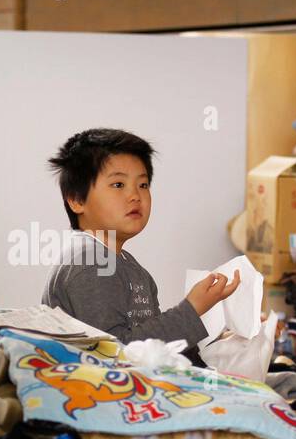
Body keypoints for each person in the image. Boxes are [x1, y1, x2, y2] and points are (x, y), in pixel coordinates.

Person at [41, 128, 238, 347]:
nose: (135, 196)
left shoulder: (130, 268)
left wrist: (219, 341)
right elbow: (114, 351)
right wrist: (192, 308)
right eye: (118, 185)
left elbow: (156, 346)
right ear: (77, 200)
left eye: (143, 185)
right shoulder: (90, 262)